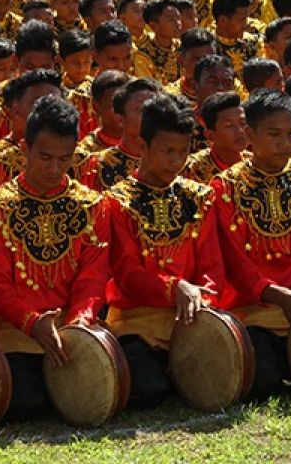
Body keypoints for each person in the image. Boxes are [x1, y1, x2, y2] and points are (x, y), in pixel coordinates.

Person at [0, 96, 110, 421]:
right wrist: (33, 323)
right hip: (16, 334)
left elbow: (92, 279)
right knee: (29, 403)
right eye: (45, 157)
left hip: (72, 333)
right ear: (25, 149)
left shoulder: (91, 205)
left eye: (65, 159)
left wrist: (79, 324)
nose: (54, 169)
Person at [209, 88, 291, 396]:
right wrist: (275, 294)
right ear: (250, 134)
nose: (285, 143)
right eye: (275, 134)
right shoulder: (225, 189)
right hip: (252, 313)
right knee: (264, 379)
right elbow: (235, 262)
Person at [107, 94, 225, 408]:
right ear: (143, 147)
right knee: (151, 391)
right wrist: (175, 288)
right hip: (136, 323)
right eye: (167, 151)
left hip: (191, 318)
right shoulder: (116, 201)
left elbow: (212, 268)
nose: (176, 161)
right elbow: (127, 273)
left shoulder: (199, 196)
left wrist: (205, 299)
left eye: (183, 152)